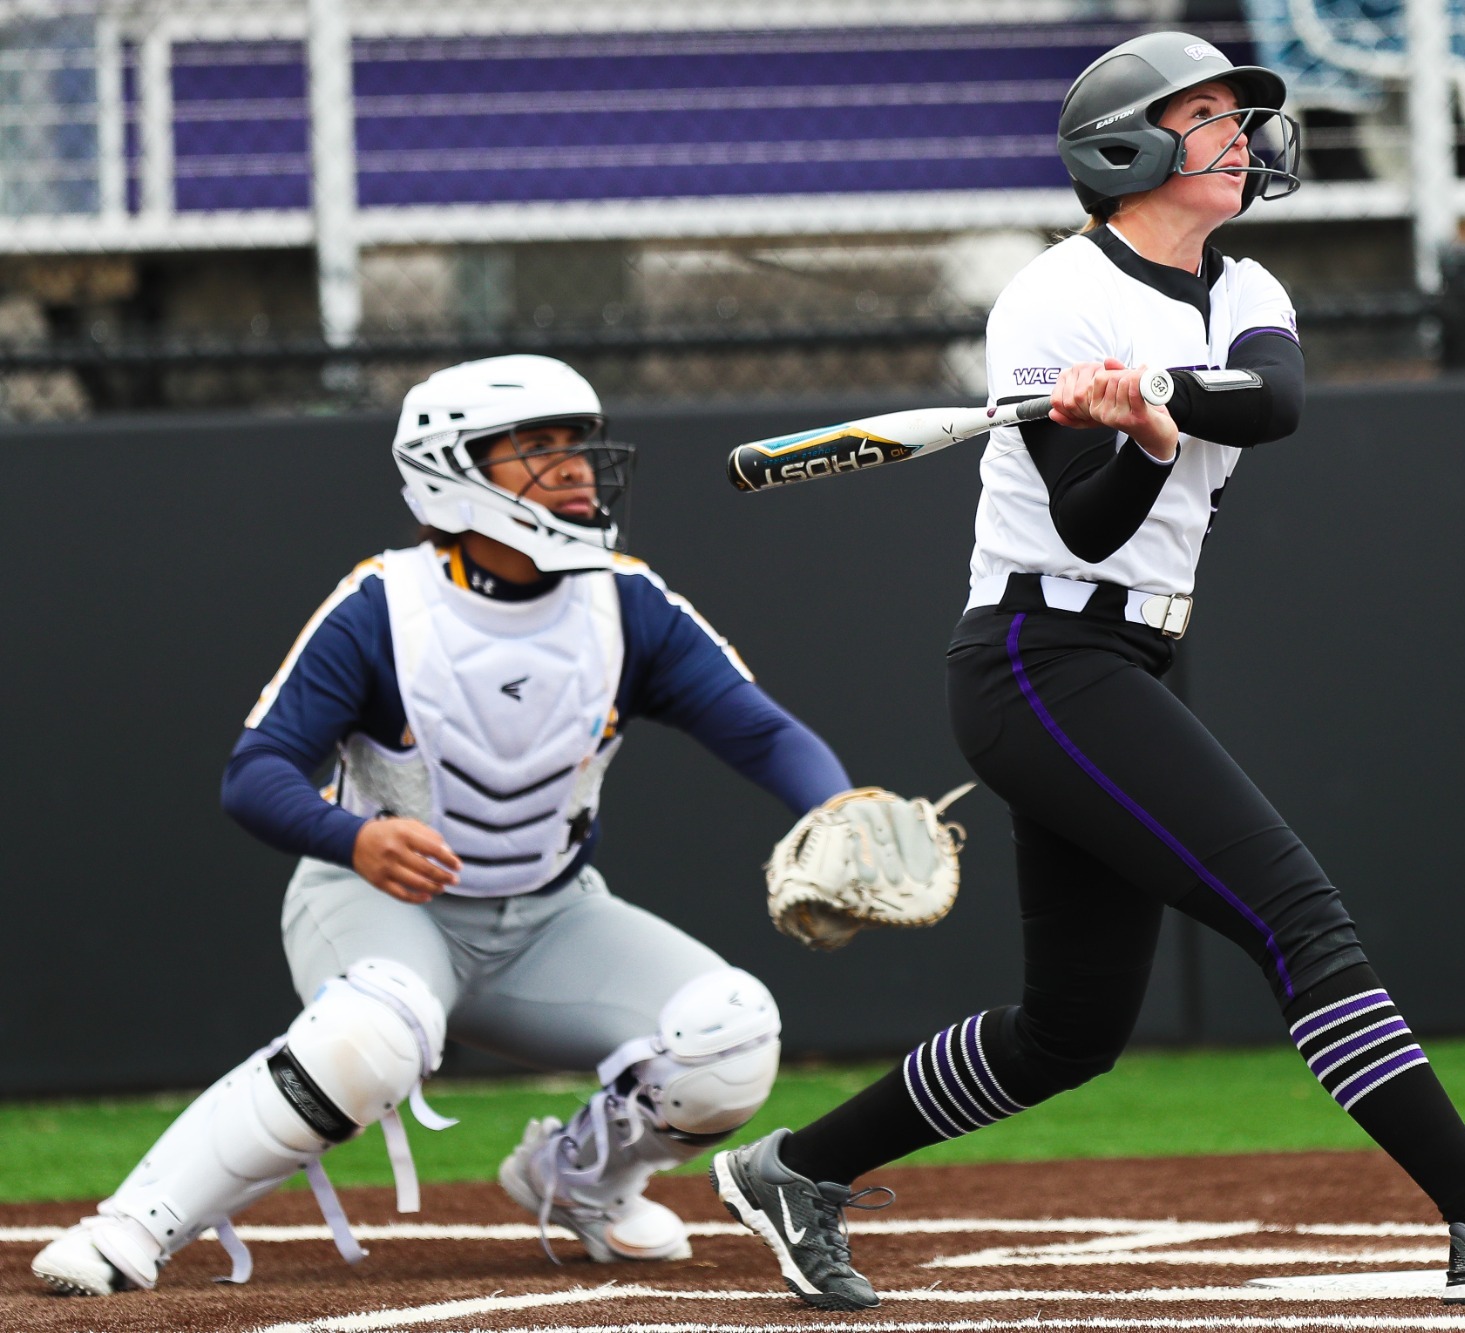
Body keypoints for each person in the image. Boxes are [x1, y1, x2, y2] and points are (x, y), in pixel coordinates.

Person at [708, 32, 1465, 1311]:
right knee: (1298, 918)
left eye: (1237, 115)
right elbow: (1086, 523)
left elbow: (1271, 400)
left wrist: (1154, 400)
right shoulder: (1049, 298)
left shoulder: (1245, 285)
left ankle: (796, 1170)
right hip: (1038, 657)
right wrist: (1136, 442)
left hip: (1130, 656)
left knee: (1067, 1029)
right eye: (1207, 116)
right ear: (1124, 149)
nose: (1239, 136)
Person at [31, 354, 938, 1296]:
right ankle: (131, 1224)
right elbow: (254, 774)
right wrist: (354, 839)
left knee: (731, 1035)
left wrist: (833, 805)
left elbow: (762, 730)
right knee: (370, 1034)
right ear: (450, 470)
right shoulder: (383, 604)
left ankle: (577, 1180)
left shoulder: (626, 598)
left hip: (549, 917)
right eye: (537, 445)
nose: (575, 464)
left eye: (577, 442)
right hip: (376, 905)